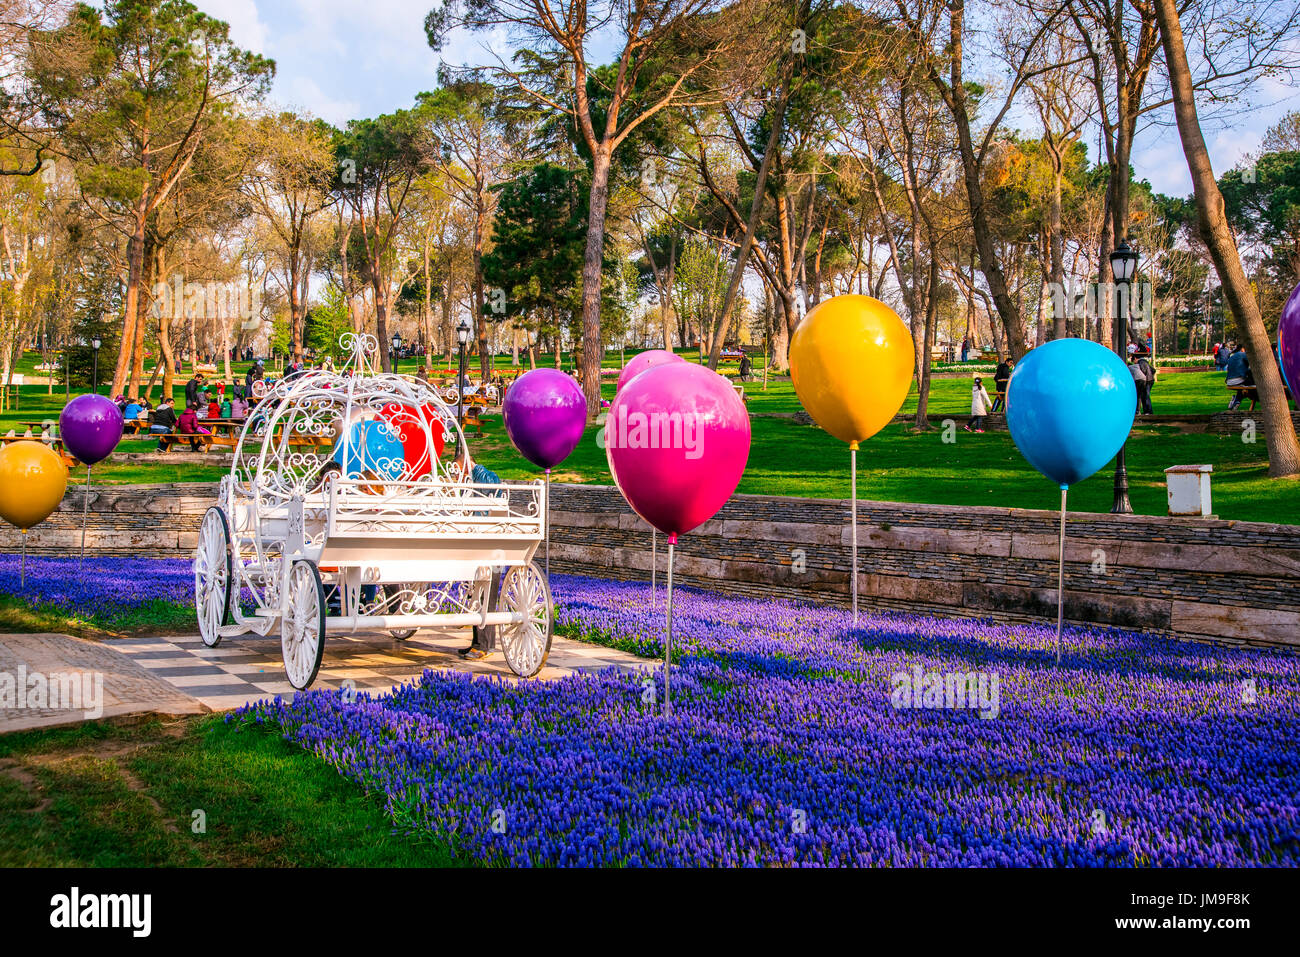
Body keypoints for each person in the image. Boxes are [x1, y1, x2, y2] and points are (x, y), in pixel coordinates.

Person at [453, 444, 503, 661]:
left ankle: (482, 644)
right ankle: (480, 643)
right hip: (482, 541)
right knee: (478, 595)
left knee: (483, 596)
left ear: (466, 465)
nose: (457, 476)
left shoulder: (482, 477)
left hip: (486, 543)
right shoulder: (473, 478)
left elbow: (485, 504)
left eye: (458, 471)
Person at [1225, 343, 1254, 410]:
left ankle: (1236, 400)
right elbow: (1253, 364)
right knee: (1253, 384)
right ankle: (1237, 399)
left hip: (1229, 381)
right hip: (1239, 379)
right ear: (1242, 349)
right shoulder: (1243, 355)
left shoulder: (1232, 357)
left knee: (1242, 388)